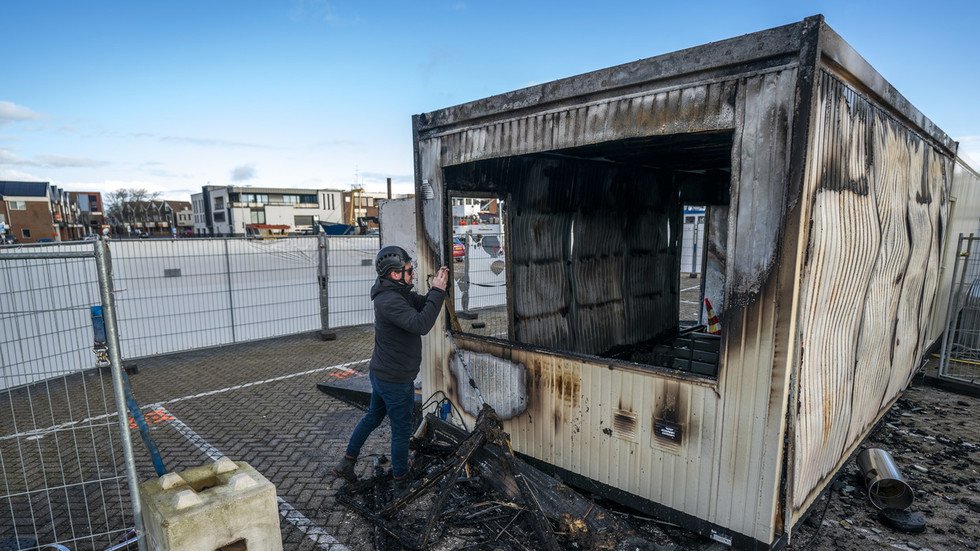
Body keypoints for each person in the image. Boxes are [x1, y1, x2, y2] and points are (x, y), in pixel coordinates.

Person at [332, 245, 449, 489]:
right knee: (401, 431)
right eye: (409, 270)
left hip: (383, 374)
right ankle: (400, 481)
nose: (413, 273)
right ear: (395, 274)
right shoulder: (389, 300)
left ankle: (347, 462)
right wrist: (438, 291)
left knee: (373, 417)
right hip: (395, 379)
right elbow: (421, 324)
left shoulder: (397, 292)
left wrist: (436, 289)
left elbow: (422, 304)